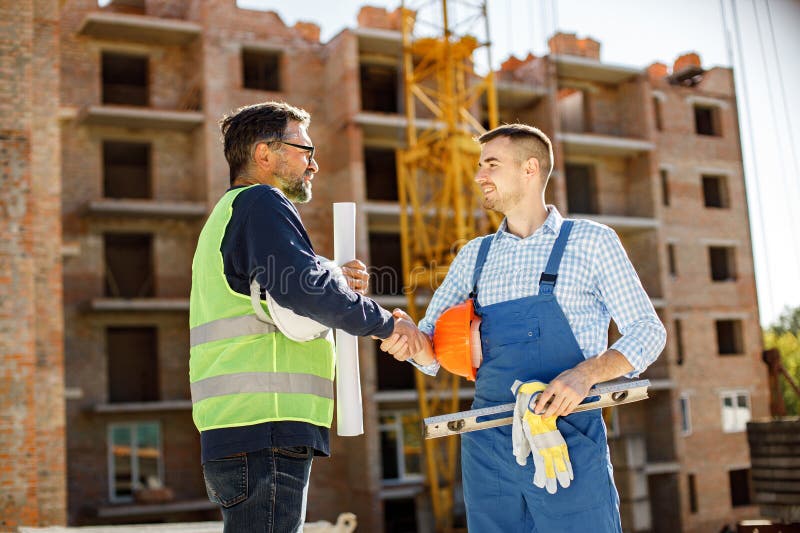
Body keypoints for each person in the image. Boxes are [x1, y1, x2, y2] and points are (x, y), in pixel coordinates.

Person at [380, 123, 666, 532]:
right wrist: (408, 337)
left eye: (491, 164)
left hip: (568, 437)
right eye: (480, 166)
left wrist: (585, 375)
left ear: (530, 169)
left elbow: (648, 332)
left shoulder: (591, 242)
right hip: (490, 446)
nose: (479, 176)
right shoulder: (473, 257)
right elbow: (432, 348)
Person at [189, 101, 422, 533]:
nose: (313, 164)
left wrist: (330, 271)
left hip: (242, 429)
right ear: (264, 153)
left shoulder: (229, 214)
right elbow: (303, 291)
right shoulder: (262, 202)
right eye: (304, 150)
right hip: (266, 428)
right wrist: (389, 324)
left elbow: (276, 287)